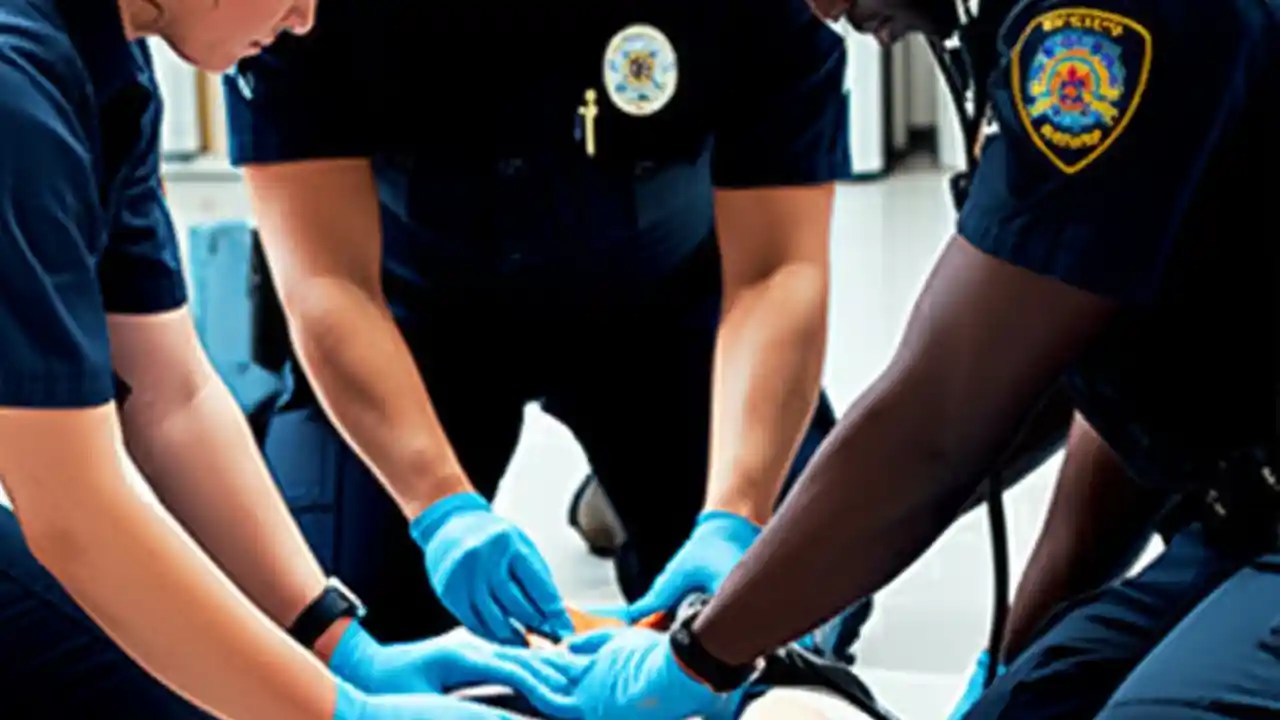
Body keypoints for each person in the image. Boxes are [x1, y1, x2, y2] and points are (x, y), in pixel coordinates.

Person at [546, 0, 1280, 717]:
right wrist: (1013, 661)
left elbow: (937, 422)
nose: (823, 9)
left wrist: (703, 654)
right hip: (1237, 519)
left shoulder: (1116, 24)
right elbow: (1082, 349)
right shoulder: (999, 23)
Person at [0, 0, 582, 717]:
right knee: (191, 686)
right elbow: (69, 508)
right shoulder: (14, 85)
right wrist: (335, 713)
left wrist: (336, 647)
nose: (306, 17)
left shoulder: (105, 72)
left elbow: (171, 396)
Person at [221, 0, 858, 648]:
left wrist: (736, 515)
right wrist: (440, 508)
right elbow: (329, 283)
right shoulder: (296, 9)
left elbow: (775, 274)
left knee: (793, 620)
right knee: (327, 622)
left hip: (665, 325)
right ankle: (622, 485)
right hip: (411, 330)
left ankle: (642, 479)